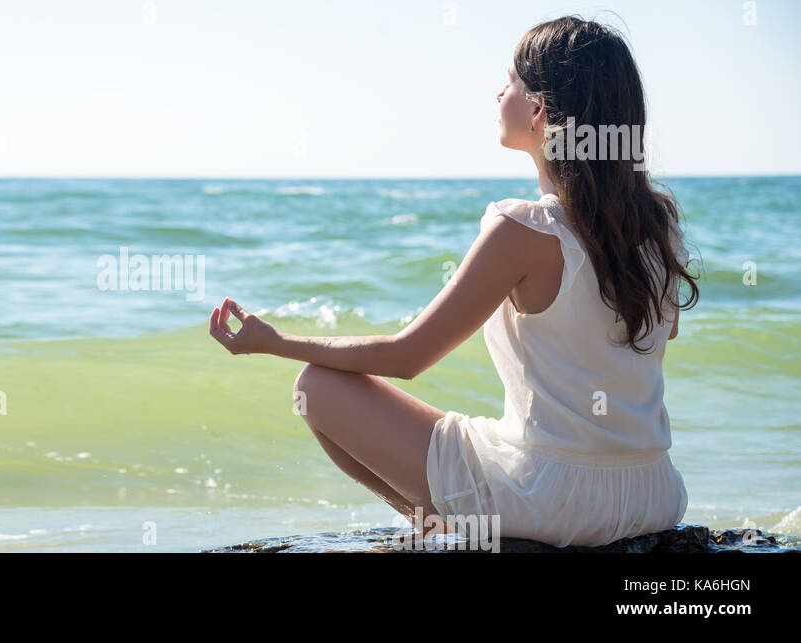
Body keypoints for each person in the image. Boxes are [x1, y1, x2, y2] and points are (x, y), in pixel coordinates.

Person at [206, 15, 700, 548]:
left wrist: (274, 342)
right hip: (653, 494)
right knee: (486, 436)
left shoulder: (524, 228)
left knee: (315, 386)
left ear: (538, 110)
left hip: (554, 500)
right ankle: (449, 527)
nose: (498, 93)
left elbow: (406, 356)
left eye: (510, 81)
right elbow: (652, 342)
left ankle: (444, 531)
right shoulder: (656, 227)